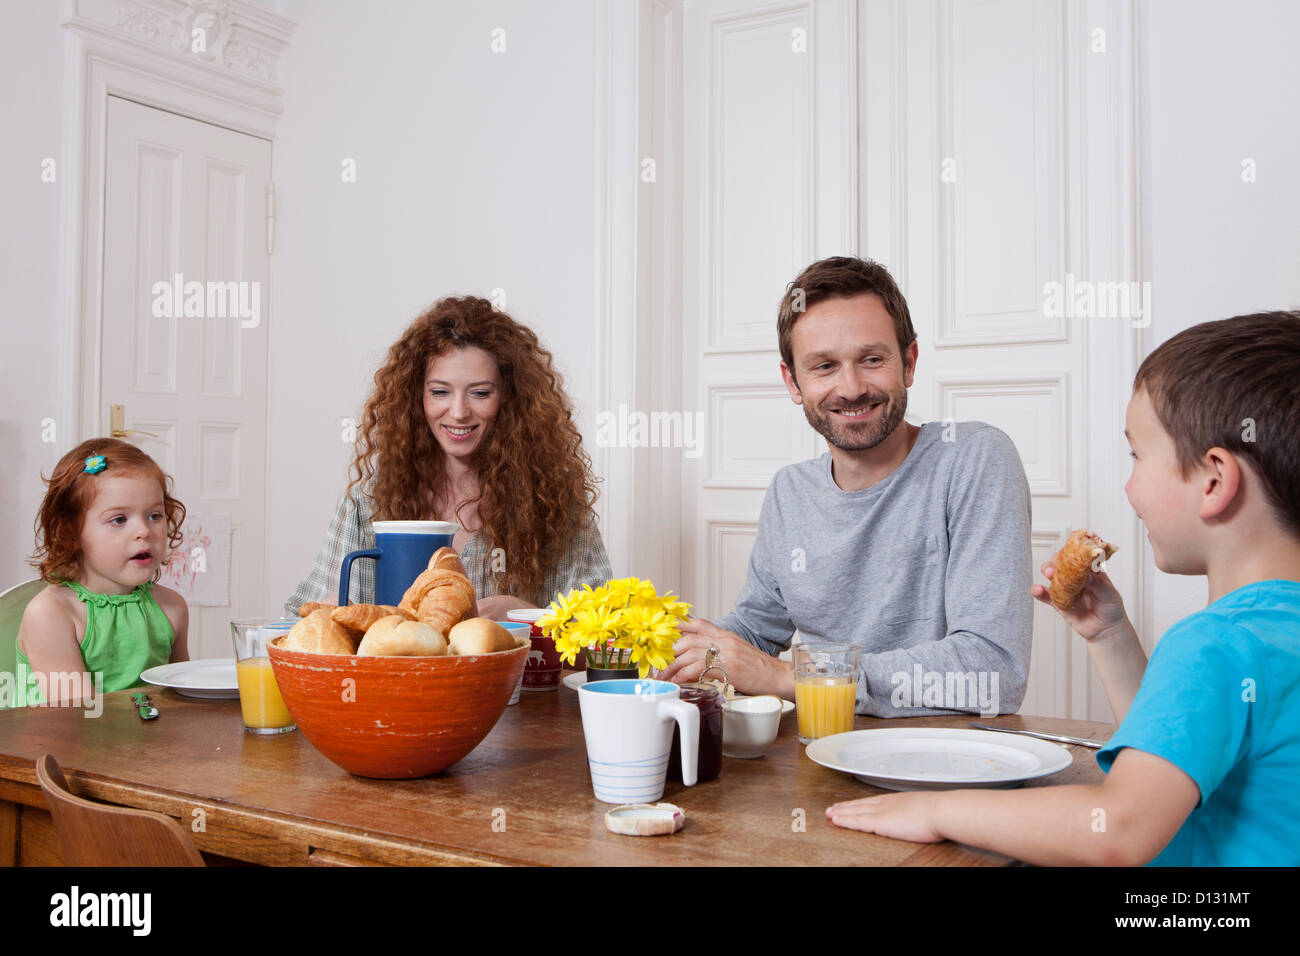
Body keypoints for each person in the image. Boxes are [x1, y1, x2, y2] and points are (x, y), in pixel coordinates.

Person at [827, 311, 1300, 865]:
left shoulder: (1217, 644)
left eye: (1137, 455)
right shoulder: (1271, 636)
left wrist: (936, 811)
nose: (1128, 483)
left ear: (1215, 480)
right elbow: (1169, 754)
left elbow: (1118, 827)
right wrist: (1111, 638)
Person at [661, 256, 1033, 716]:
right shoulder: (789, 491)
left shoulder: (975, 458)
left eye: (872, 359)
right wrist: (676, 646)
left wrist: (789, 675)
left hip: (945, 764)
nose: (852, 388)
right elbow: (755, 633)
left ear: (909, 362)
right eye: (824, 366)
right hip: (816, 753)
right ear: (792, 381)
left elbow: (993, 671)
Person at [286, 295, 612, 618]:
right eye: (440, 392)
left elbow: (606, 637)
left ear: (510, 400)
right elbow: (305, 618)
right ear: (417, 398)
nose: (458, 412)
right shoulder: (367, 502)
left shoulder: (552, 501)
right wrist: (329, 613)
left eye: (481, 393)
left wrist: (527, 614)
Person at [16, 438, 190, 705]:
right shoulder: (52, 614)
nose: (144, 531)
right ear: (71, 533)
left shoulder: (171, 608)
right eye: (119, 519)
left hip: (145, 743)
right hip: (60, 743)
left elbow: (184, 700)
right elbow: (80, 719)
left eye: (155, 515)